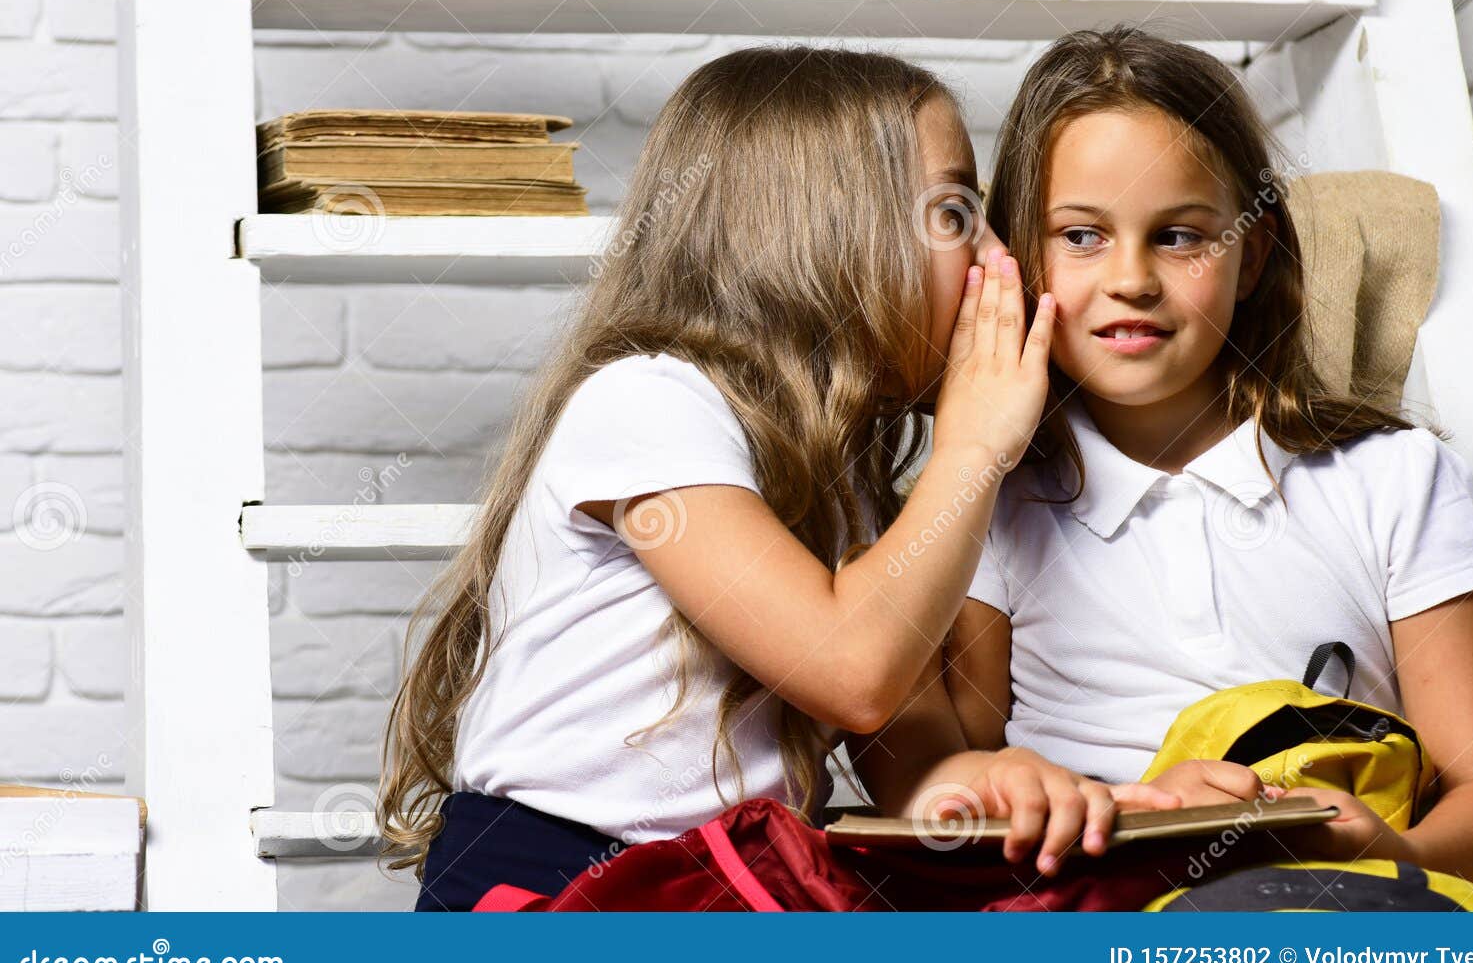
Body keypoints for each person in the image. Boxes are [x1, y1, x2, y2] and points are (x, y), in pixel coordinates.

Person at [377, 45, 1172, 911]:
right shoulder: (644, 402)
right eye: (955, 213)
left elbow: (916, 766)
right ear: (820, 236)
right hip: (556, 889)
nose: (996, 254)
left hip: (729, 883)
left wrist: (1033, 786)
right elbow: (853, 671)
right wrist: (975, 451)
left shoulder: (846, 480)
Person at [854, 27, 1473, 891]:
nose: (1132, 277)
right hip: (1100, 910)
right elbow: (954, 776)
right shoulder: (988, 507)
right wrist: (1118, 805)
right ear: (1020, 260)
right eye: (1081, 236)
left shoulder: (1397, 478)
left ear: (1251, 255)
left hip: (1346, 909)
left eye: (1179, 236)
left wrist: (1392, 854)